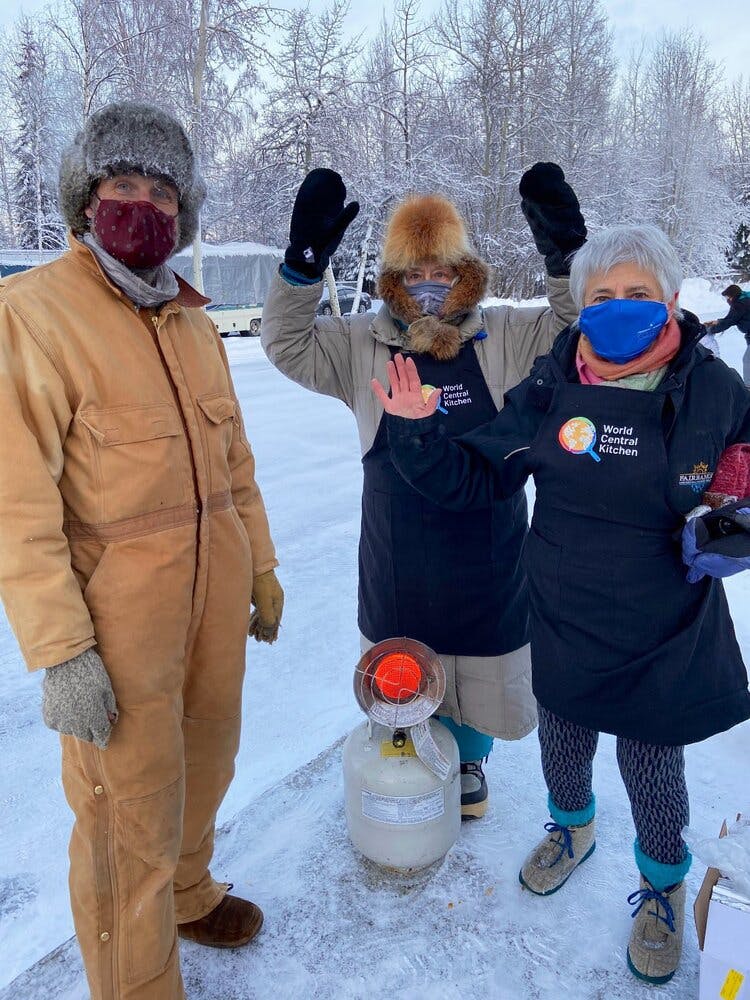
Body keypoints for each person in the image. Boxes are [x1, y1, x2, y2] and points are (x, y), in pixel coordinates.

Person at [374, 223, 750, 985]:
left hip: (664, 618)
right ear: (579, 305)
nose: (619, 307)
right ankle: (571, 831)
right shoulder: (552, 383)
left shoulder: (716, 389)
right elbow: (479, 476)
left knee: (651, 759)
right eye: (601, 295)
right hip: (564, 605)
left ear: (671, 299)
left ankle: (661, 885)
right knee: (565, 739)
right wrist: (418, 436)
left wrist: (736, 518)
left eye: (638, 293)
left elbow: (742, 484)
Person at [0, 102, 284, 1000]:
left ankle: (191, 894)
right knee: (128, 817)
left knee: (207, 764)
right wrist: (61, 650)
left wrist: (265, 568)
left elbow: (236, 466)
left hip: (212, 609)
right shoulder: (34, 315)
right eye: (123, 184)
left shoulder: (196, 325)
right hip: (118, 632)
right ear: (87, 198)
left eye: (162, 190)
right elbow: (14, 503)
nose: (143, 204)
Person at [262, 164, 585, 817]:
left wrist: (567, 261)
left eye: (442, 273)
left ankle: (468, 763)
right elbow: (286, 343)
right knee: (403, 664)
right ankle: (411, 756)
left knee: (480, 667)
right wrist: (301, 267)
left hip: (488, 544)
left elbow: (574, 329)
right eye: (414, 275)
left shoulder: (507, 334)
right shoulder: (361, 343)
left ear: (464, 274)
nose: (430, 287)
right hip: (398, 548)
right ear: (394, 282)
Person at [704, 283, 750, 385]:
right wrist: (717, 321)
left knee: (747, 360)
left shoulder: (740, 304)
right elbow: (731, 318)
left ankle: (748, 387)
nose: (727, 300)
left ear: (732, 296)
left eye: (727, 297)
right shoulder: (745, 300)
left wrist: (708, 330)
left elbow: (729, 321)